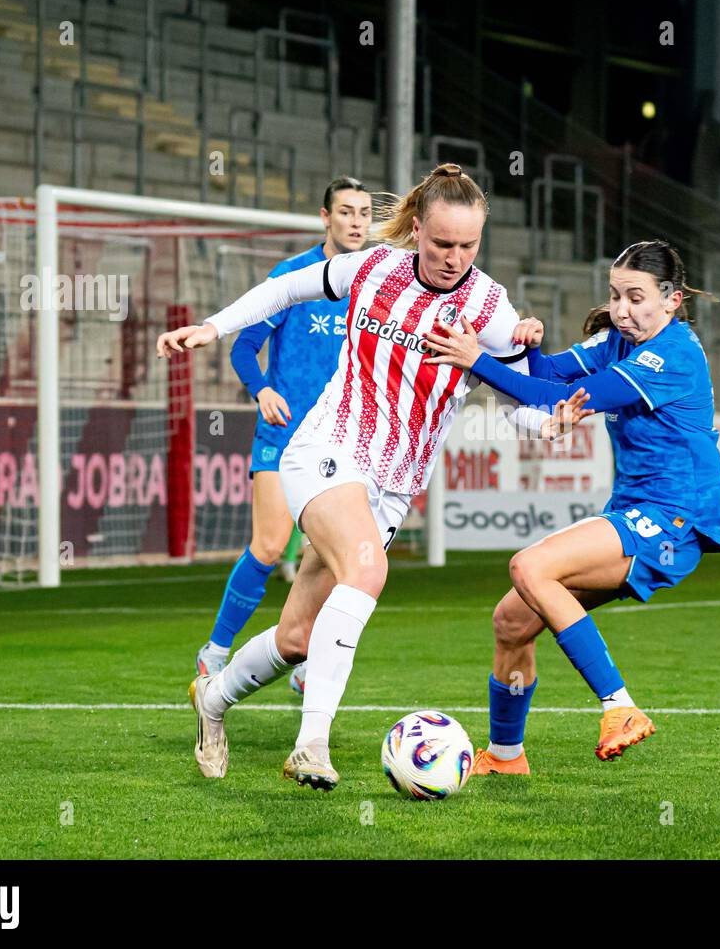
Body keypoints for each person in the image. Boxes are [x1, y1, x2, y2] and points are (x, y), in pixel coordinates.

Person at [157, 164, 583, 790]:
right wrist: (213, 328)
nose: (454, 258)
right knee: (368, 569)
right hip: (327, 449)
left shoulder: (491, 308)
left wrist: (546, 426)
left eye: (468, 246)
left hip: (391, 487)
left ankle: (212, 701)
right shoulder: (372, 267)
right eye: (442, 244)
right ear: (417, 229)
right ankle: (311, 746)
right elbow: (283, 291)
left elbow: (520, 399)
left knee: (299, 636)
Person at [424, 240, 720, 773]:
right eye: (615, 296)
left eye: (636, 297)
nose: (622, 309)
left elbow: (548, 401)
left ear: (672, 300)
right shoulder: (615, 340)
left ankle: (621, 706)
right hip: (635, 509)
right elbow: (546, 380)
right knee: (512, 621)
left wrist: (477, 360)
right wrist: (529, 344)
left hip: (675, 517)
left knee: (530, 566)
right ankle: (504, 756)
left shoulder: (672, 355)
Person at [195, 177, 372, 701]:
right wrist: (263, 390)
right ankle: (216, 651)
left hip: (343, 444)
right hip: (283, 431)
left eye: (364, 212)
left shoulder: (375, 282)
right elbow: (244, 348)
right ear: (325, 217)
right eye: (346, 211)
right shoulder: (292, 276)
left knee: (338, 559)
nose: (357, 221)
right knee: (271, 544)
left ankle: (308, 659)